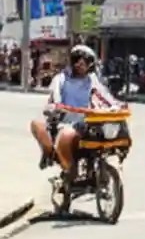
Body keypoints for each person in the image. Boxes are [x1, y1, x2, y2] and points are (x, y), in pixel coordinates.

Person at [29, 45, 120, 173]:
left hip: (85, 123)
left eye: (85, 61)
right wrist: (56, 106)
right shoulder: (60, 78)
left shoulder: (92, 79)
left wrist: (115, 106)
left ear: (90, 64)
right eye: (77, 59)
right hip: (65, 121)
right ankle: (65, 167)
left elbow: (105, 96)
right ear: (72, 61)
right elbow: (55, 97)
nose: (80, 63)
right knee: (39, 125)